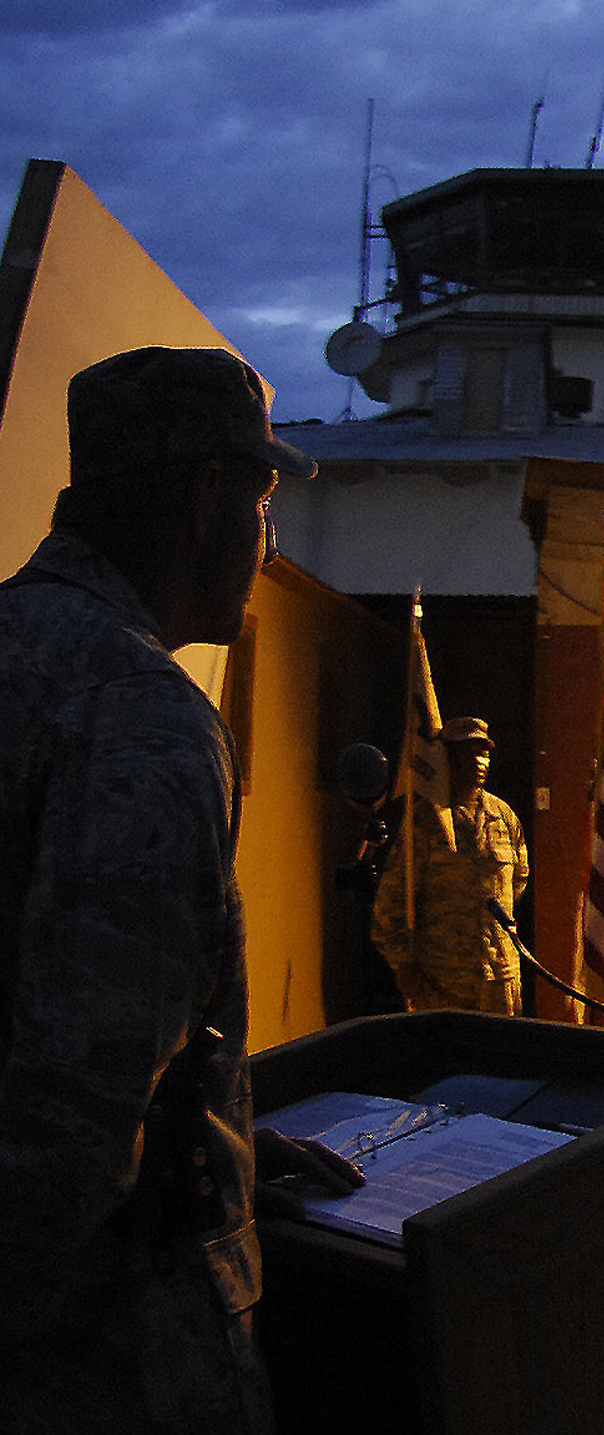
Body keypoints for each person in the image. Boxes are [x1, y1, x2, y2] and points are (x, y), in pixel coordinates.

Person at [1, 346, 358, 1430]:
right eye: (263, 506)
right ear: (211, 495)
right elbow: (82, 1096)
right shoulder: (140, 708)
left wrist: (229, 1133)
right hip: (102, 1348)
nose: (265, 545)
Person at [370, 714, 528, 1014]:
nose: (478, 761)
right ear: (448, 758)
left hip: (499, 978)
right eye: (468, 752)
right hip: (443, 981)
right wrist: (403, 964)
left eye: (484, 752)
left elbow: (518, 881)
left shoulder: (503, 817)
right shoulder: (427, 820)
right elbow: (392, 898)